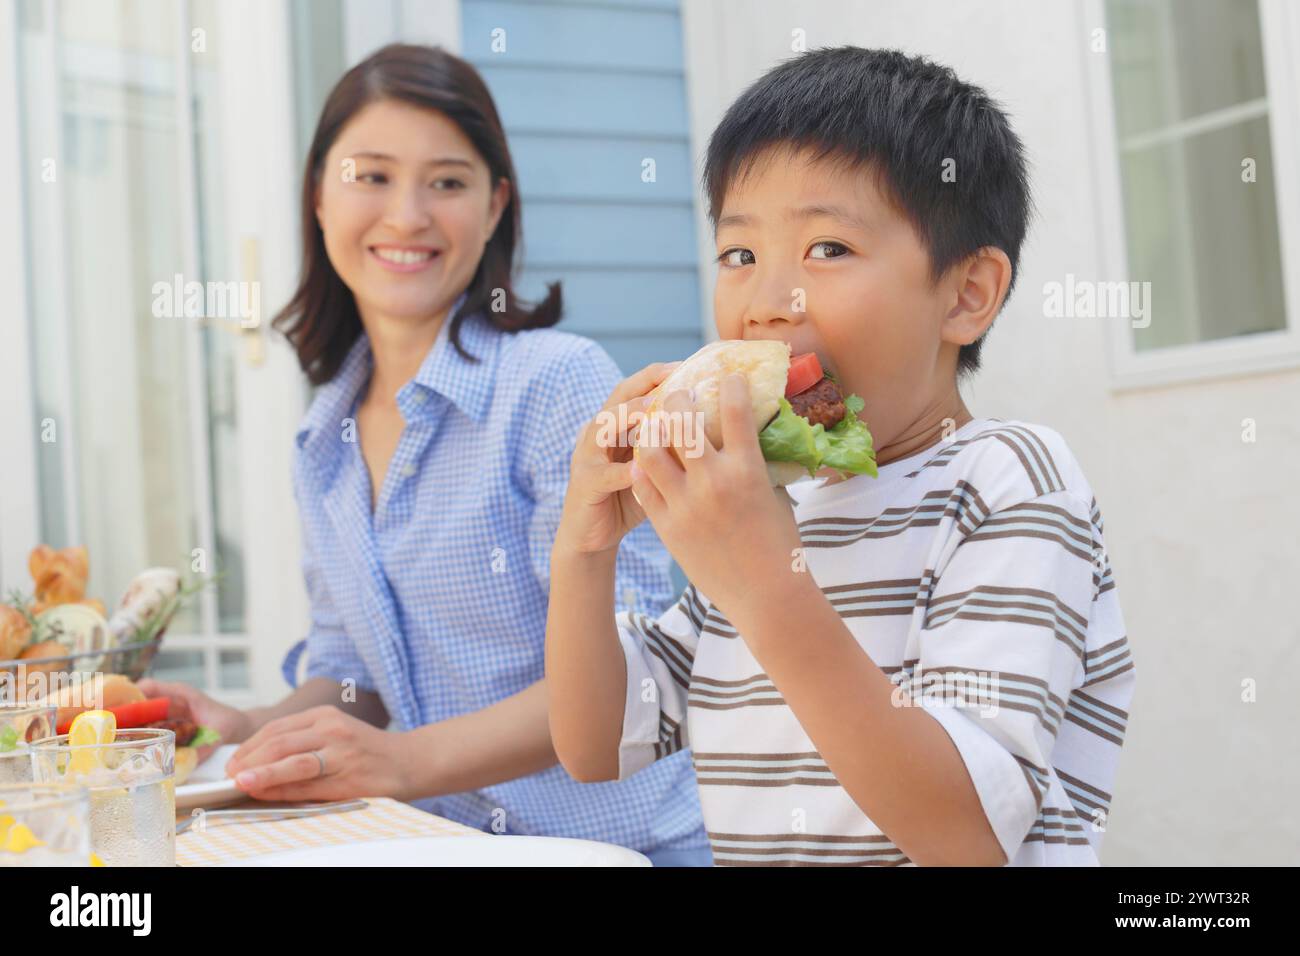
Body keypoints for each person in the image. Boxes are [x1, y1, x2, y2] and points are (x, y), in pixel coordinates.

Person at [545, 47, 1135, 866]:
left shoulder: (1008, 481)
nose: (764, 305)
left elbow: (963, 835)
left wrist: (762, 578)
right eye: (739, 255)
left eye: (827, 249)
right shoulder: (777, 501)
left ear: (966, 294)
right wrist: (584, 548)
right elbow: (594, 744)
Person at [141, 44, 710, 866]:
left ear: (494, 206)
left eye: (446, 182)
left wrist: (403, 762)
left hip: (620, 852)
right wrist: (248, 727)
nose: (407, 216)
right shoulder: (324, 435)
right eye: (370, 176)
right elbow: (350, 676)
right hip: (444, 846)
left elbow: (624, 675)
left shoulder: (557, 385)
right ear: (318, 198)